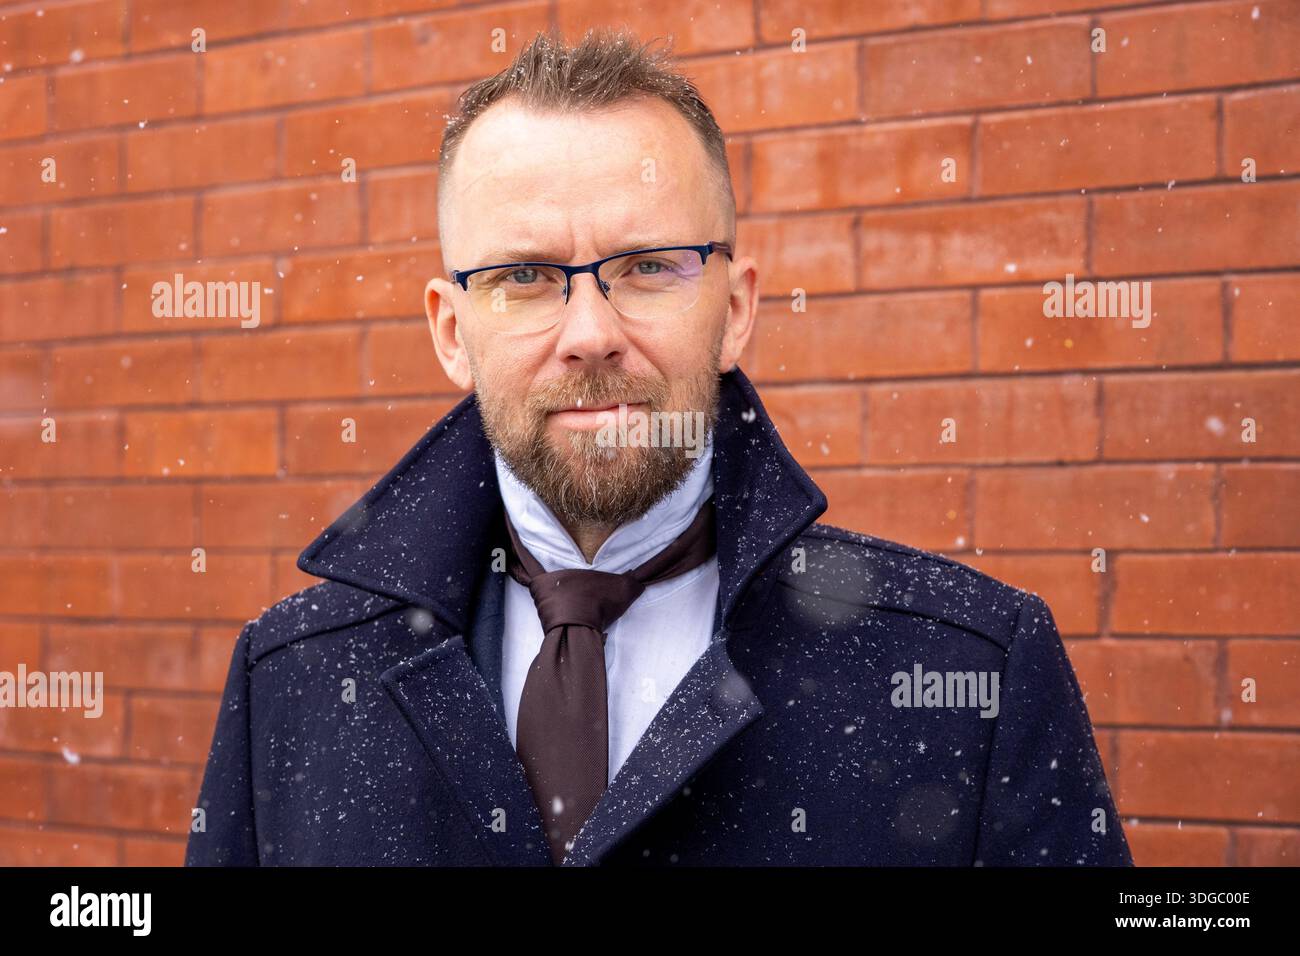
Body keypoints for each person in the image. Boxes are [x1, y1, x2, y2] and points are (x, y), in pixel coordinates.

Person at [186, 27, 1132, 867]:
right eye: (524, 276)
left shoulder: (975, 679)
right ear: (450, 331)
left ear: (736, 309)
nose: (590, 331)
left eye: (648, 268)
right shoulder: (293, 682)